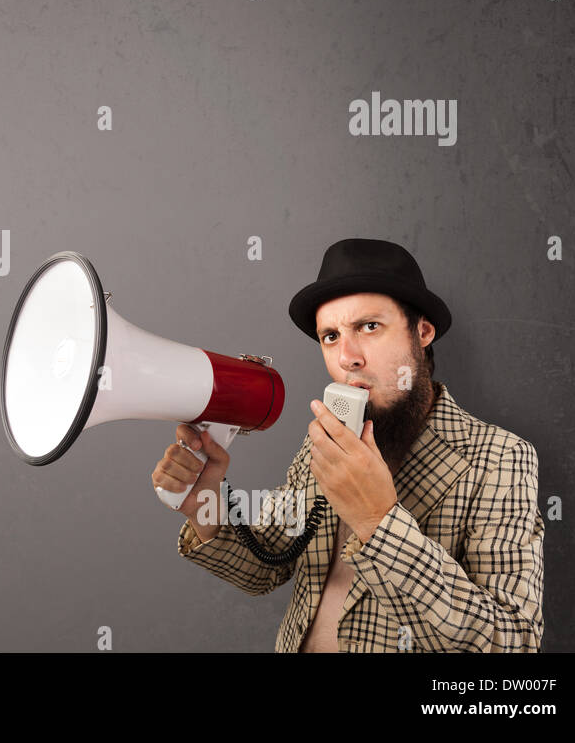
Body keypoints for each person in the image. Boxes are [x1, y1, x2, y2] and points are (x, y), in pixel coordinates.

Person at [153, 238, 544, 652]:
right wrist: (205, 507)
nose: (347, 357)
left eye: (369, 327)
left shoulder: (499, 458)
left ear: (422, 331)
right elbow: (265, 567)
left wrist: (377, 521)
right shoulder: (323, 444)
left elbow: (513, 642)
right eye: (331, 336)